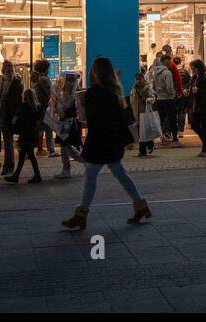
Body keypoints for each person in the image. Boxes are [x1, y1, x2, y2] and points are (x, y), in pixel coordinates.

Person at [61, 57, 151, 230]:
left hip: (99, 141)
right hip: (112, 141)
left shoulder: (95, 92)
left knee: (92, 176)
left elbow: (92, 118)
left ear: (95, 73)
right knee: (118, 173)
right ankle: (140, 205)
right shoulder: (114, 91)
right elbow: (119, 117)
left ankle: (82, 214)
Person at [47, 70, 83, 178]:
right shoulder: (64, 91)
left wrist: (63, 111)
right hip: (64, 122)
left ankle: (67, 169)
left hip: (69, 122)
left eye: (71, 80)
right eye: (68, 79)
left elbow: (74, 109)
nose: (69, 82)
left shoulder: (75, 93)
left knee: (65, 145)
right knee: (66, 145)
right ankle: (83, 160)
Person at [4, 86, 43, 183]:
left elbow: (17, 122)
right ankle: (20, 175)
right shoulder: (37, 108)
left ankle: (24, 175)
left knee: (27, 155)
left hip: (25, 135)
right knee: (26, 155)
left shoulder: (23, 109)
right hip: (33, 134)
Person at [150, 48, 181, 147]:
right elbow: (169, 87)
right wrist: (172, 94)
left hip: (159, 99)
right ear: (166, 62)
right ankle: (175, 140)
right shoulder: (167, 73)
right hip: (168, 99)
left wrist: (157, 94)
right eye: (168, 61)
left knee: (160, 119)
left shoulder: (155, 73)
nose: (169, 63)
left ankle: (159, 138)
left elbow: (152, 87)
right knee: (172, 120)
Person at [0, 59, 23, 175]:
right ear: (3, 71)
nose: (10, 73)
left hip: (9, 115)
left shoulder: (17, 83)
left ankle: (9, 166)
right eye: (8, 71)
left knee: (8, 142)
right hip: (0, 114)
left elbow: (18, 101)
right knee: (7, 142)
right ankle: (7, 166)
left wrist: (16, 115)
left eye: (11, 70)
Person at [29, 60, 56, 156]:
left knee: (40, 128)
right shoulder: (44, 79)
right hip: (45, 107)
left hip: (39, 107)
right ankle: (51, 149)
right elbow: (50, 92)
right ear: (45, 68)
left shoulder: (35, 78)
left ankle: (39, 148)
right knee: (48, 128)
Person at [189, 58, 206, 156]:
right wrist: (187, 91)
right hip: (196, 106)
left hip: (205, 106)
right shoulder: (194, 78)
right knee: (195, 125)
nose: (192, 71)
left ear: (198, 68)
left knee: (205, 127)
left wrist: (198, 91)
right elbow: (190, 88)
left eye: (193, 68)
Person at [129, 67, 157, 156]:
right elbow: (131, 100)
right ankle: (150, 145)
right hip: (136, 114)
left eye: (139, 79)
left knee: (143, 133)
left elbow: (153, 97)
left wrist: (149, 100)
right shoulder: (133, 88)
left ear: (143, 79)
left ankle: (142, 151)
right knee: (142, 132)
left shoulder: (147, 88)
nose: (138, 81)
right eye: (136, 79)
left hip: (145, 113)